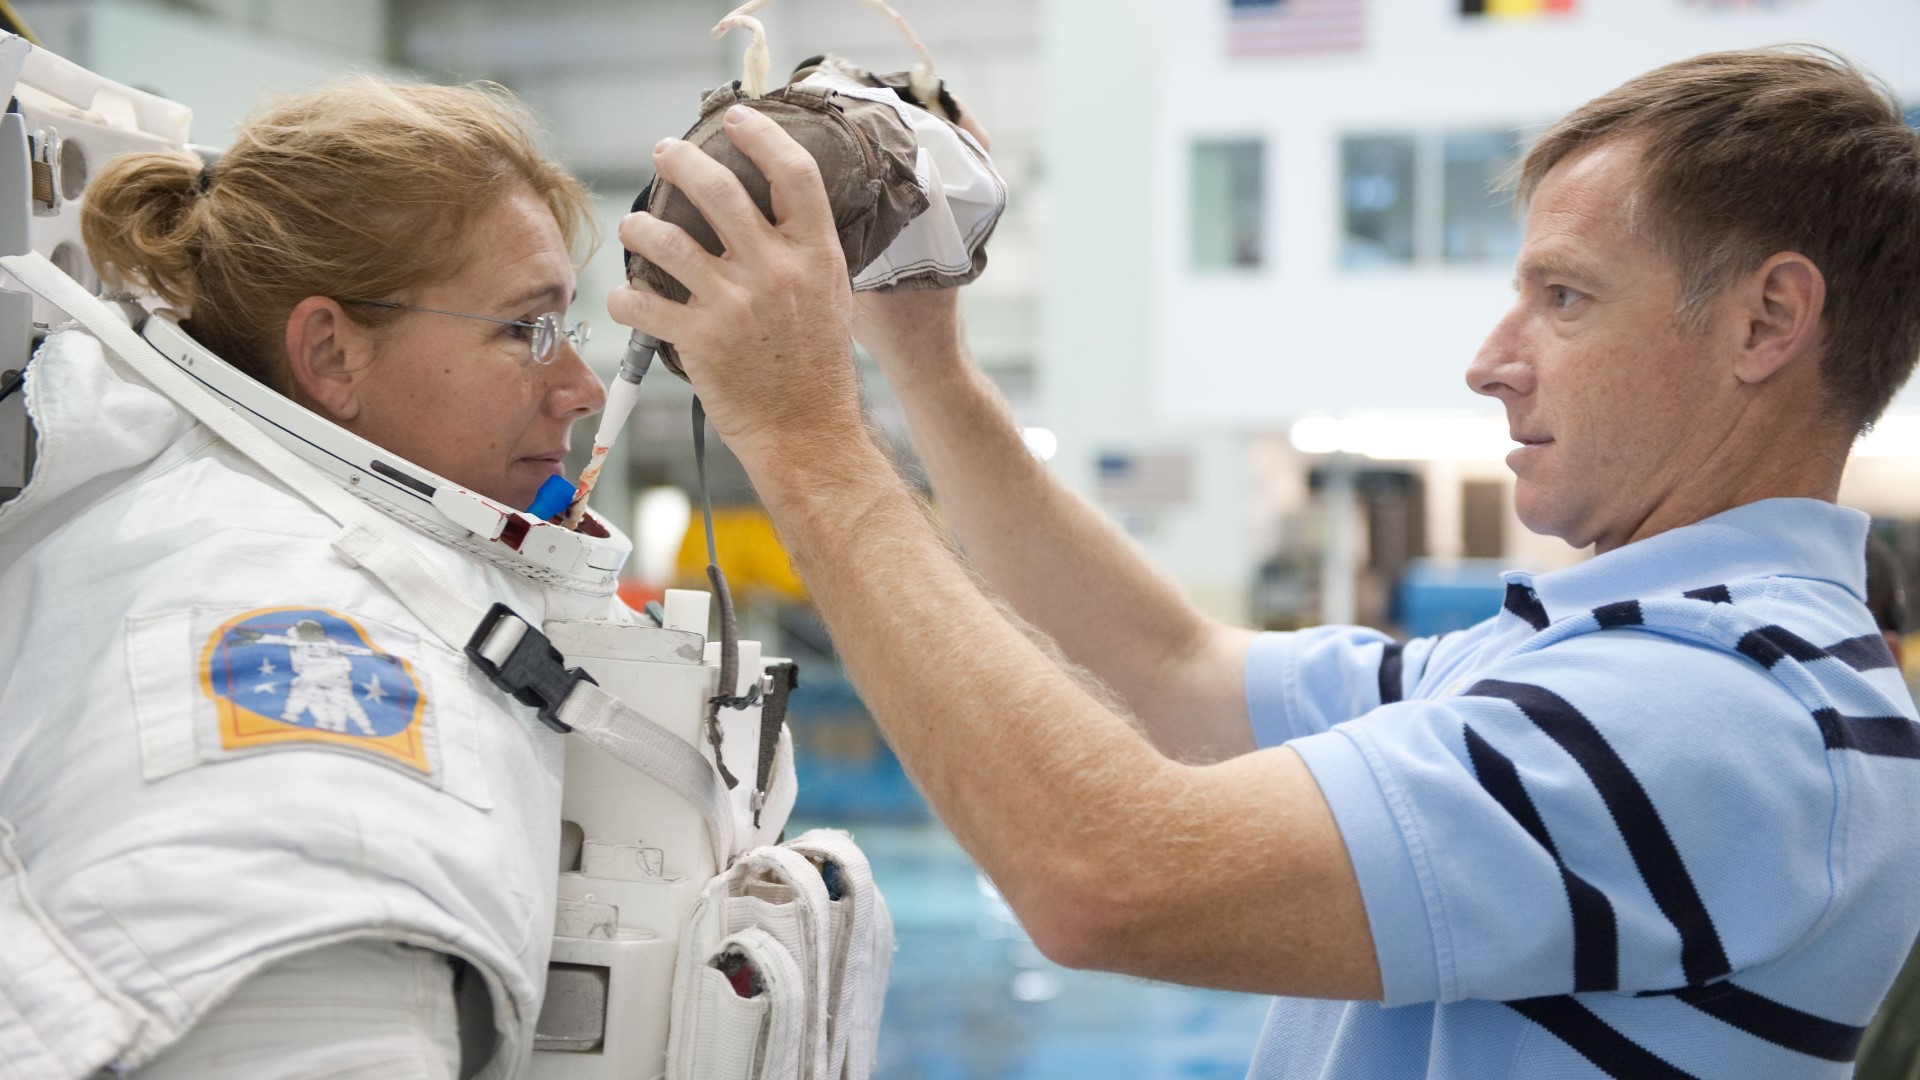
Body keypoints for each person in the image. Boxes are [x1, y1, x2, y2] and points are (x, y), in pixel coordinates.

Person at [609, 45, 1920, 1077]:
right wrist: (921, 353)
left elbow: (1108, 878)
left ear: (1767, 321)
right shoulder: (1609, 657)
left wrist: (804, 439)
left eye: (1565, 298)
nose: (1491, 359)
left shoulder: (1725, 717)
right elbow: (1174, 672)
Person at [0, 77, 611, 1077]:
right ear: (330, 353)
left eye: (565, 328)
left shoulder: (201, 508)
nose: (579, 390)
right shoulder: (301, 616)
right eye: (523, 330)